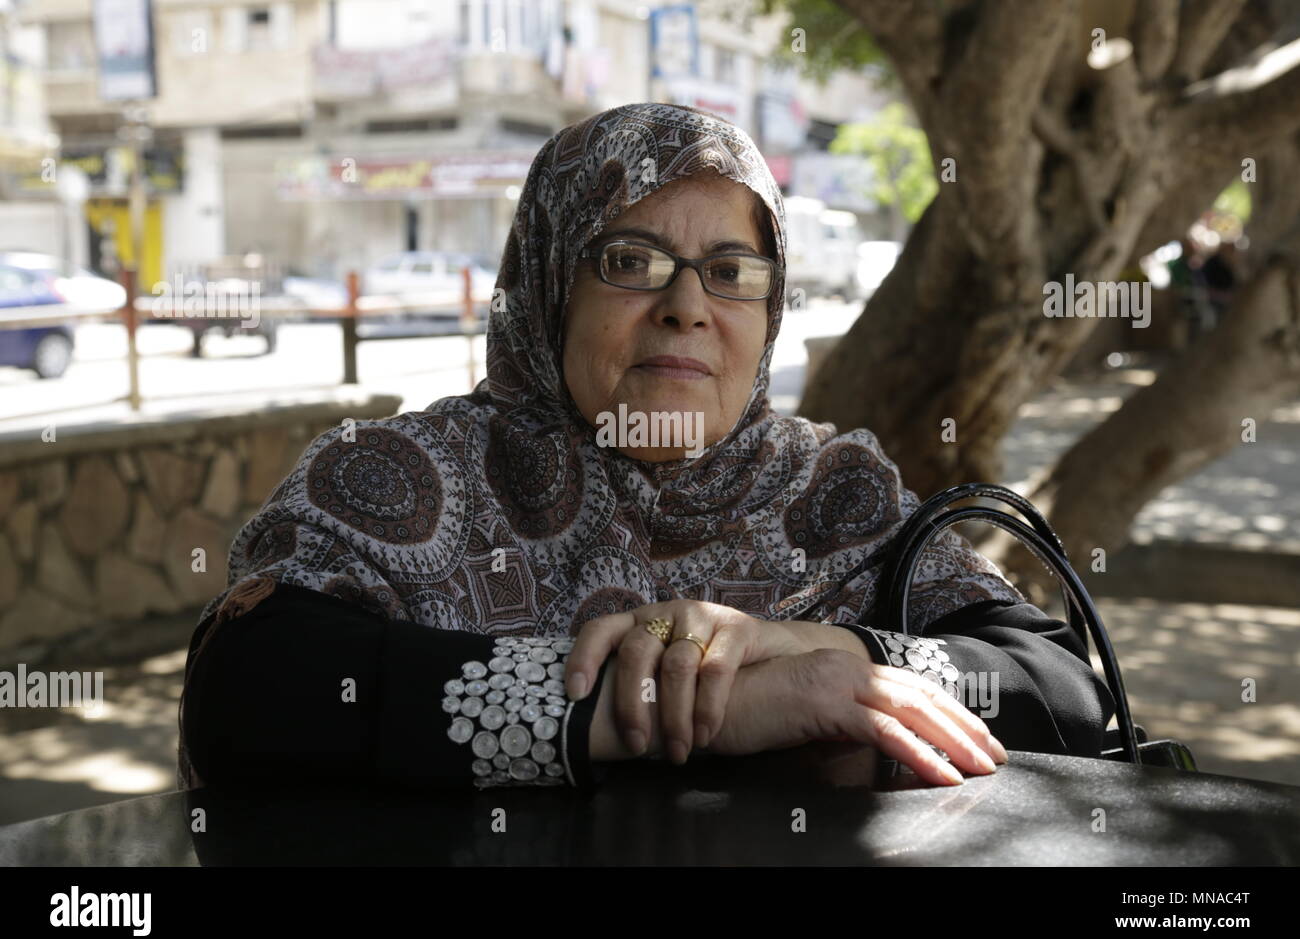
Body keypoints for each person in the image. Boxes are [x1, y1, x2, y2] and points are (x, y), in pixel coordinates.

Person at [178, 103, 1114, 796]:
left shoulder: (830, 492)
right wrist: (693, 711)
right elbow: (248, 692)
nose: (688, 305)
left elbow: (1062, 688)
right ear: (549, 284)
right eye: (630, 261)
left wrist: (815, 653)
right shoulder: (395, 480)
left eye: (732, 271)